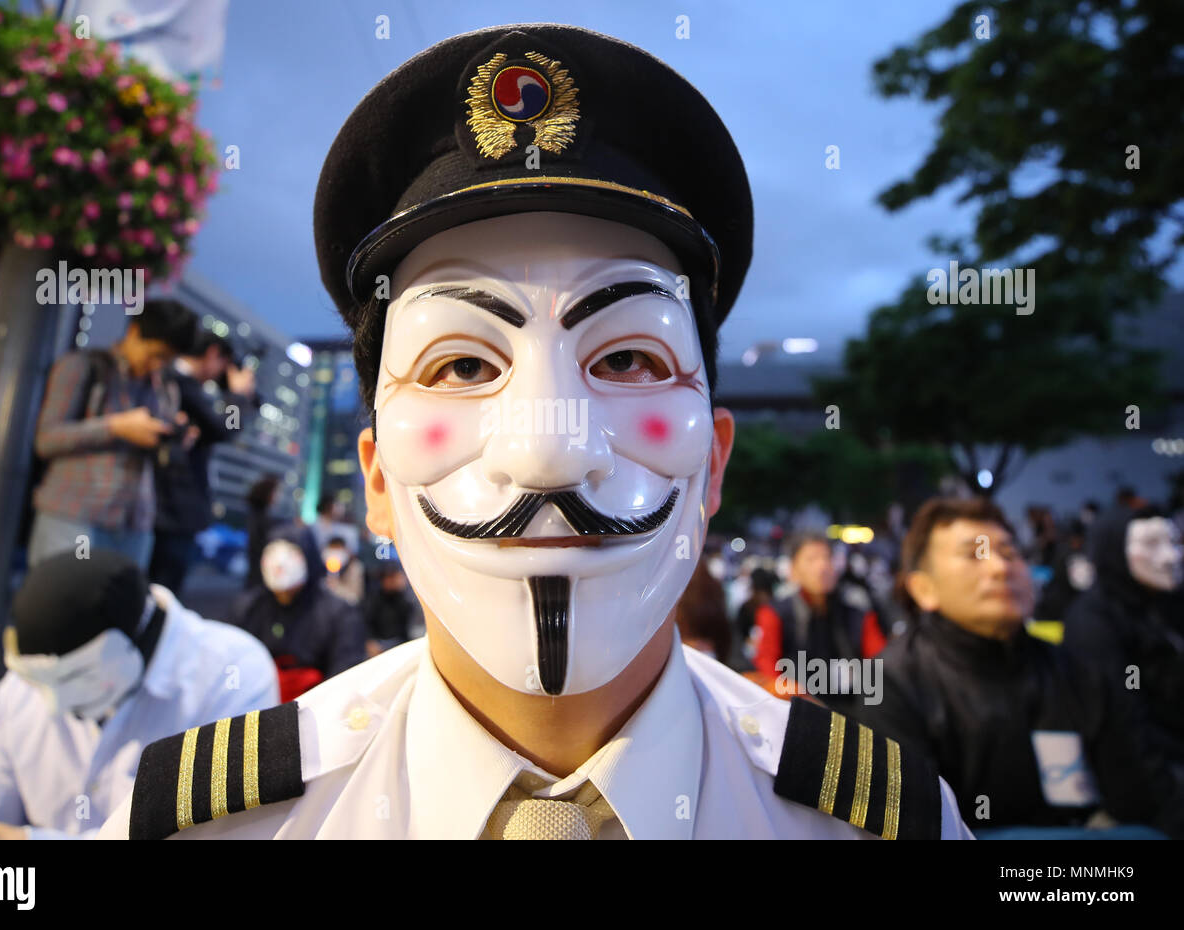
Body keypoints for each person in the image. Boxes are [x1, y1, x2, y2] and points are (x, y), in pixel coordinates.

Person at [101, 24, 970, 840]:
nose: (549, 452)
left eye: (628, 360)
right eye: (462, 366)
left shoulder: (876, 821)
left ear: (713, 462)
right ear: (375, 481)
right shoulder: (211, 822)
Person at [853, 497, 1184, 839]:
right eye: (974, 554)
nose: (1000, 568)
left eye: (1010, 552)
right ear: (924, 588)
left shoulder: (1078, 672)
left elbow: (1145, 798)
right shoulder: (892, 684)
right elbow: (908, 825)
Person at [0, 550, 277, 839]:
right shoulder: (21, 690)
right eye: (38, 682)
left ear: (126, 649)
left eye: (76, 678)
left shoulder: (231, 675)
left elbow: (217, 835)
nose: (54, 705)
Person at [28, 298, 196, 569]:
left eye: (167, 360)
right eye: (155, 354)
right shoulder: (83, 366)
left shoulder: (166, 389)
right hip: (74, 513)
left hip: (135, 522)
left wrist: (174, 441)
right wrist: (115, 427)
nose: (157, 365)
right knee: (61, 604)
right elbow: (46, 439)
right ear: (133, 332)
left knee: (119, 609)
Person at [1063, 505, 1184, 765]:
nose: (1171, 556)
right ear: (1115, 549)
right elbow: (1125, 732)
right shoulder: (1095, 621)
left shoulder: (1166, 605)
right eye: (1151, 544)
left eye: (1172, 541)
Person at [149, 330, 257, 596]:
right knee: (162, 596)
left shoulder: (184, 384)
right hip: (170, 510)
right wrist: (239, 395)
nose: (223, 373)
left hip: (171, 510)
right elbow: (224, 428)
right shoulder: (178, 382)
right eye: (225, 365)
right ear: (212, 355)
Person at [229, 526, 368, 701]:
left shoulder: (340, 615)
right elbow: (230, 669)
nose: (280, 564)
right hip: (255, 709)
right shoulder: (248, 608)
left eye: (291, 555)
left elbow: (346, 678)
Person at [747, 531, 887, 701]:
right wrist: (799, 696)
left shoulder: (857, 612)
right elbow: (766, 670)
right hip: (796, 710)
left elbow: (881, 665)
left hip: (853, 708)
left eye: (827, 558)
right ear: (793, 569)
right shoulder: (774, 613)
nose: (822, 566)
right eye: (811, 559)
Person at [244, 474, 283, 591]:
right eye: (276, 493)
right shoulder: (261, 518)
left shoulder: (257, 514)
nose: (278, 497)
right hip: (260, 570)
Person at [321, 536, 365, 606]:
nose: (334, 554)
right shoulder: (320, 566)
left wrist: (336, 586)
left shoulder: (354, 567)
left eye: (338, 550)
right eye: (332, 549)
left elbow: (355, 598)